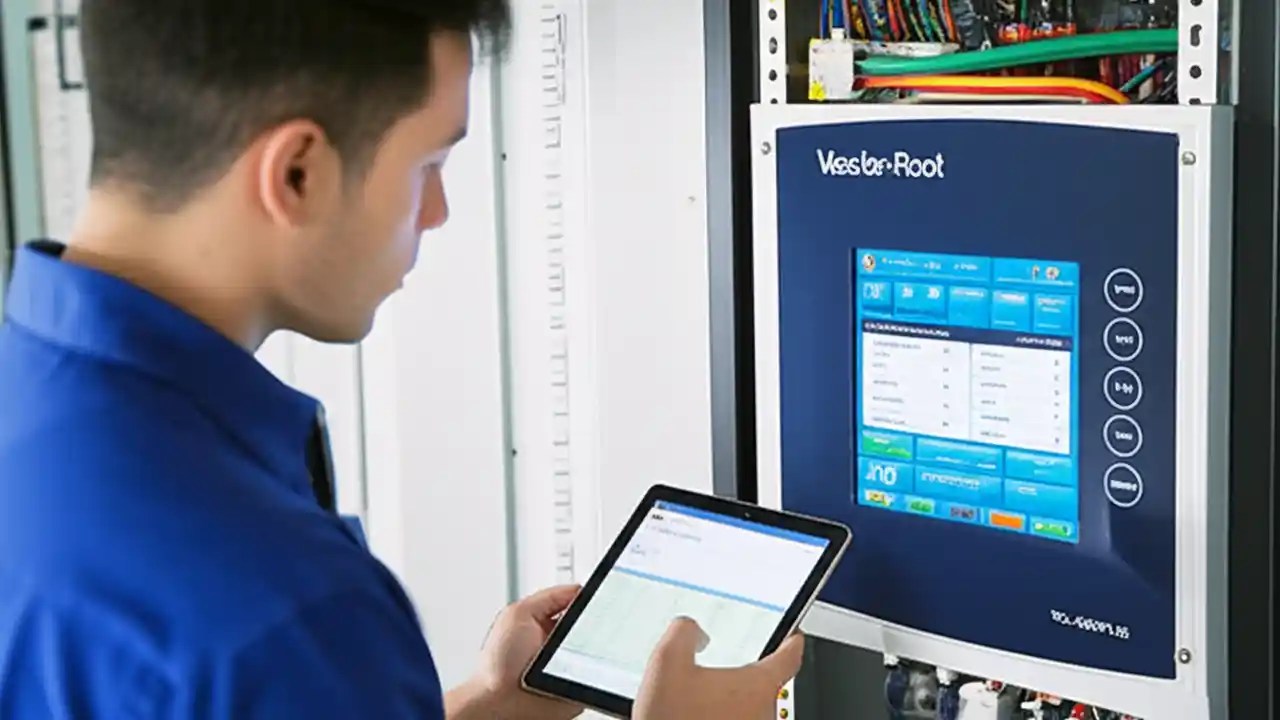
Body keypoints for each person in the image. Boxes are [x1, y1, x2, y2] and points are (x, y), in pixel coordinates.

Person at [0, 1, 805, 718]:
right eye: (429, 166)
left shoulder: (32, 394)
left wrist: (485, 706)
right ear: (297, 171)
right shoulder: (287, 609)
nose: (439, 212)